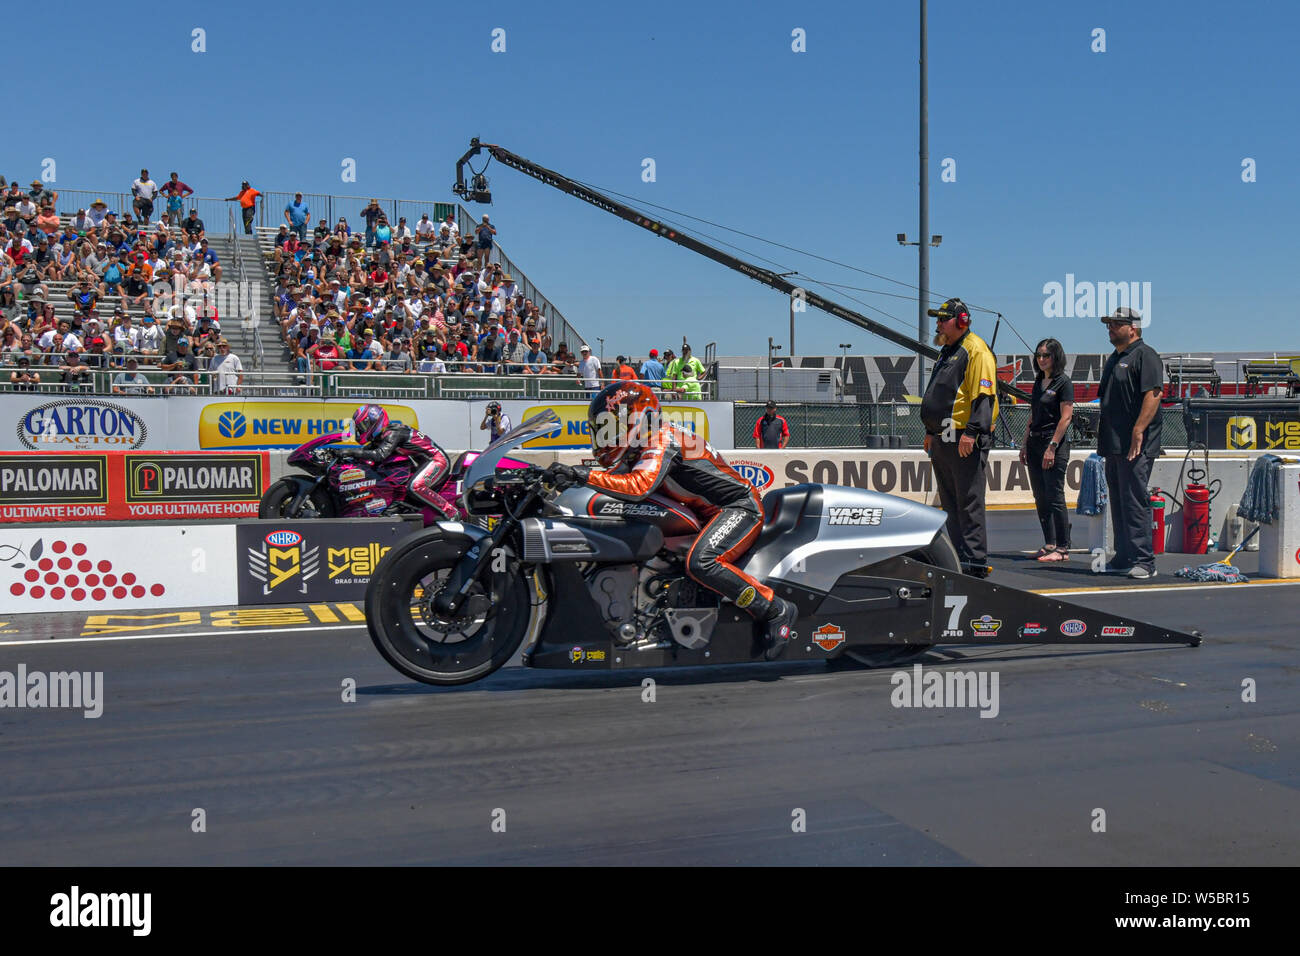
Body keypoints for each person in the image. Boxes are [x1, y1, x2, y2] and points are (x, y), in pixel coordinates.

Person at [546, 382, 798, 658]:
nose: (609, 435)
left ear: (640, 419)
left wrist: (581, 475)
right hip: (707, 513)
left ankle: (774, 609)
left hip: (738, 508)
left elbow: (639, 486)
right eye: (604, 428)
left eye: (615, 425)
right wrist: (566, 481)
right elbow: (614, 481)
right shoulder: (640, 449)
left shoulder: (662, 440)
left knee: (701, 562)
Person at [920, 297, 999, 577]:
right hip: (943, 438)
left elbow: (984, 396)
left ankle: (975, 564)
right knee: (950, 503)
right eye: (937, 319)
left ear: (961, 321)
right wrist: (931, 431)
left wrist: (972, 433)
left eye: (943, 319)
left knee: (968, 503)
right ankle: (958, 560)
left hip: (964, 439)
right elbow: (940, 394)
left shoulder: (975, 349)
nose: (938, 323)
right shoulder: (946, 351)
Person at [1097, 307, 1163, 578]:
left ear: (1133, 327)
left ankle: (1145, 561)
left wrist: (1138, 429)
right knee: (1119, 500)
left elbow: (1154, 393)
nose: (1110, 328)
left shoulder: (1145, 355)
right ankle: (1124, 555)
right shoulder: (1115, 357)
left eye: (1115, 324)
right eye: (1109, 324)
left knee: (1135, 500)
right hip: (1113, 443)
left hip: (1136, 444)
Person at [345, 404, 457, 519]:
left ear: (374, 421)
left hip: (437, 460)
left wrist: (350, 452)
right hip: (425, 463)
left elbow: (380, 454)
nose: (360, 430)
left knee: (415, 486)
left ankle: (450, 512)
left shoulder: (394, 432)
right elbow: (366, 451)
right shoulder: (383, 436)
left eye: (363, 426)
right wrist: (343, 455)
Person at [1020, 338, 1074, 561]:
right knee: (1040, 496)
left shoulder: (1063, 382)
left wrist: (1052, 447)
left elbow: (1066, 417)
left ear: (1055, 357)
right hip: (1034, 443)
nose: (1041, 359)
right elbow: (1033, 415)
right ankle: (1049, 543)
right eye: (1039, 355)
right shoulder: (1038, 381)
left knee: (1054, 495)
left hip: (1054, 443)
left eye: (1046, 355)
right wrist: (1024, 444)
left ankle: (1062, 547)